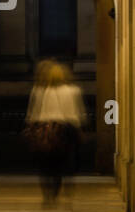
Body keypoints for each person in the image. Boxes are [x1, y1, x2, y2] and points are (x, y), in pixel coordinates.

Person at [23, 59, 87, 203]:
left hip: (44, 128)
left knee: (44, 162)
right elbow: (78, 113)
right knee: (64, 160)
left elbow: (32, 113)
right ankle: (60, 186)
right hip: (66, 128)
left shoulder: (38, 90)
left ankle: (47, 191)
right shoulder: (73, 90)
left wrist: (32, 126)